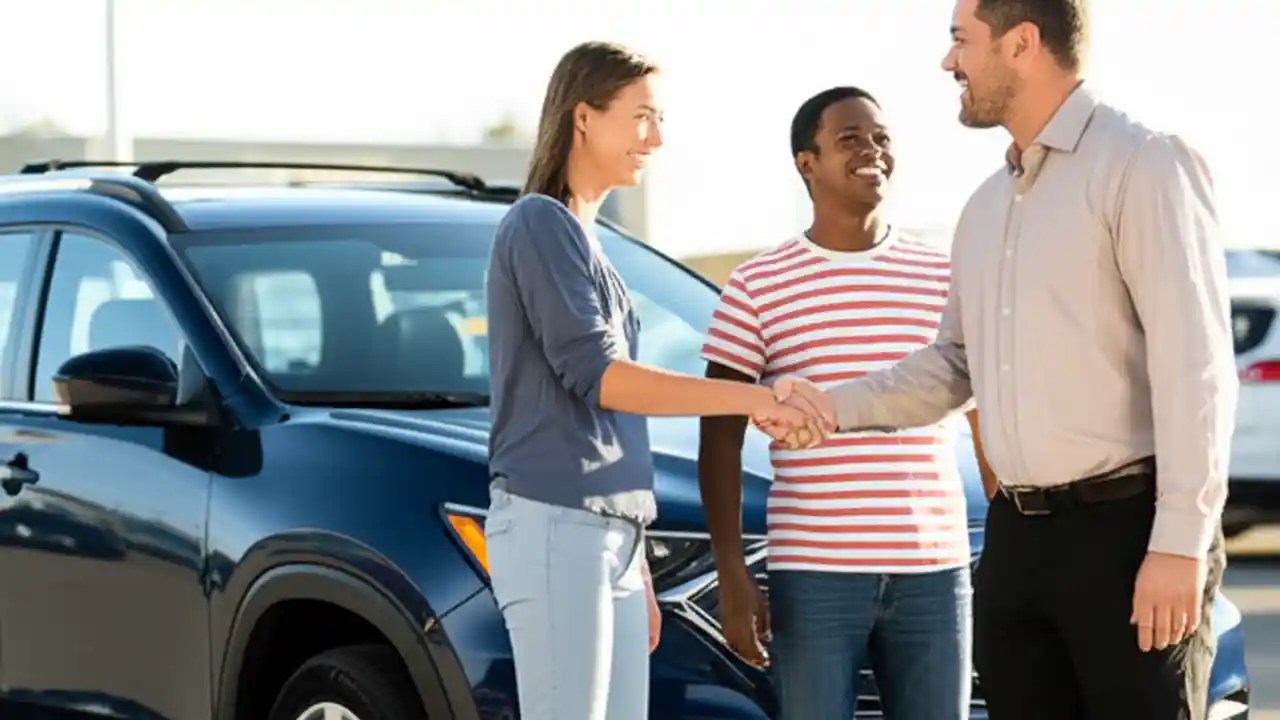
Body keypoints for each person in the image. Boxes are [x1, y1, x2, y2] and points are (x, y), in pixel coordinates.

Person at [766, 1, 1238, 718]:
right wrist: (831, 406)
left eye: (962, 41)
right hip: (1016, 546)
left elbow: (1195, 365)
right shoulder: (985, 208)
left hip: (1129, 535)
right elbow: (954, 366)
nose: (948, 61)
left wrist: (1181, 542)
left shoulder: (1142, 164)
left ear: (1021, 43)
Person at [482, 41, 834, 720]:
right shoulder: (538, 223)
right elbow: (603, 381)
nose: (658, 137)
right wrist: (757, 397)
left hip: (607, 539)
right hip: (556, 530)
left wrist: (633, 556)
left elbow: (608, 423)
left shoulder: (589, 241)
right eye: (643, 116)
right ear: (584, 117)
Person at [698, 86, 987, 720]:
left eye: (882, 137)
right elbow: (718, 434)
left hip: (936, 571)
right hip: (816, 573)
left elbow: (980, 412)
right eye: (851, 138)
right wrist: (733, 576)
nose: (873, 150)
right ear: (808, 162)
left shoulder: (943, 274)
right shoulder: (759, 283)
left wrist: (1008, 551)